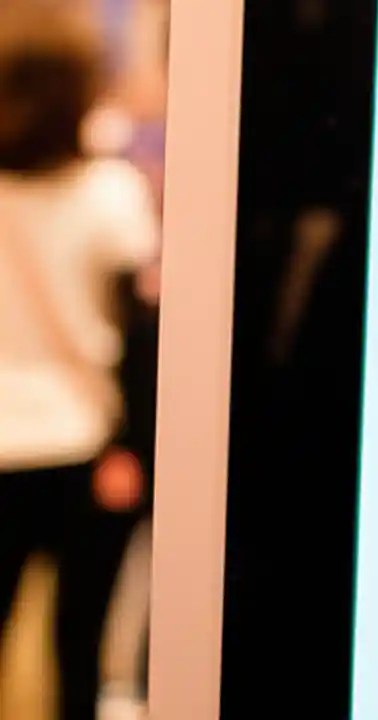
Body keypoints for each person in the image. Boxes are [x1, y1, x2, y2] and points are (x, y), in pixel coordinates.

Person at [0, 3, 159, 719]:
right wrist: (134, 445)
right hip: (84, 446)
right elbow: (138, 336)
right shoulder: (110, 195)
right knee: (81, 645)